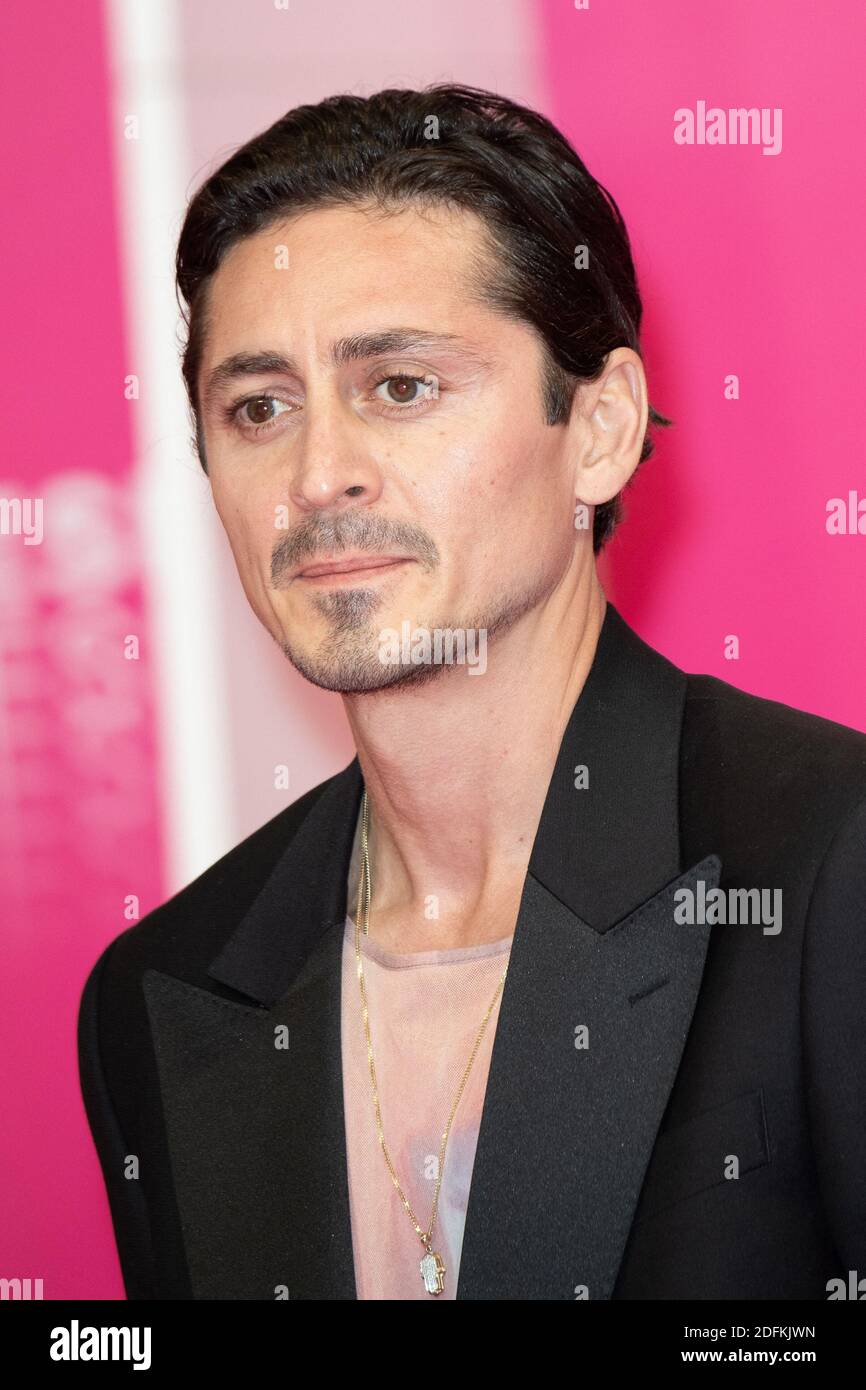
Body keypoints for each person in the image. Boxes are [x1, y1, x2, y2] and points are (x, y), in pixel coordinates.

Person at [78, 83, 866, 1301]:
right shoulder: (165, 988)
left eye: (398, 386)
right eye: (258, 408)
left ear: (596, 429)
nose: (318, 474)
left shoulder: (829, 864)